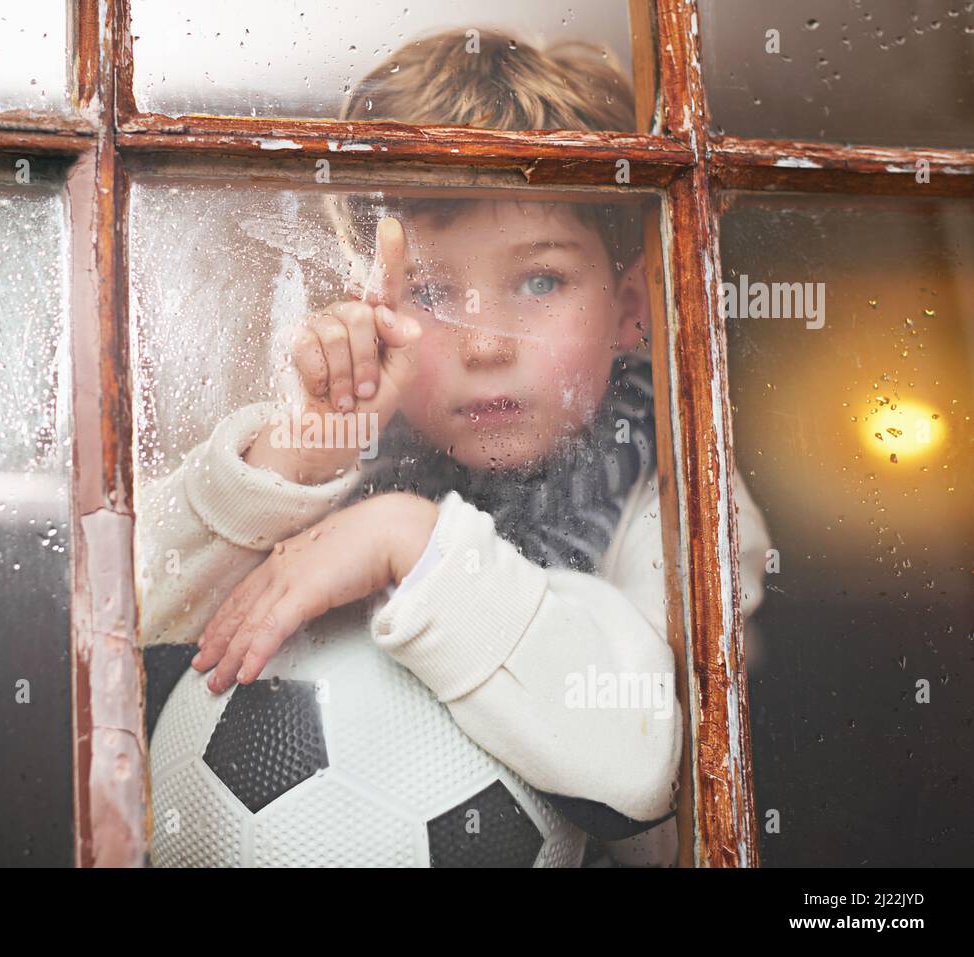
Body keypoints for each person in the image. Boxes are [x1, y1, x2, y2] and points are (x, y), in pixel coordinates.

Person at [137, 30, 771, 865]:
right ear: (380, 301)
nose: (485, 345)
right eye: (433, 292)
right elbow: (129, 609)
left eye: (540, 281)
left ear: (628, 310)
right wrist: (307, 450)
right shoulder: (356, 434)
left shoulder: (682, 491)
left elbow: (644, 761)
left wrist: (415, 541)